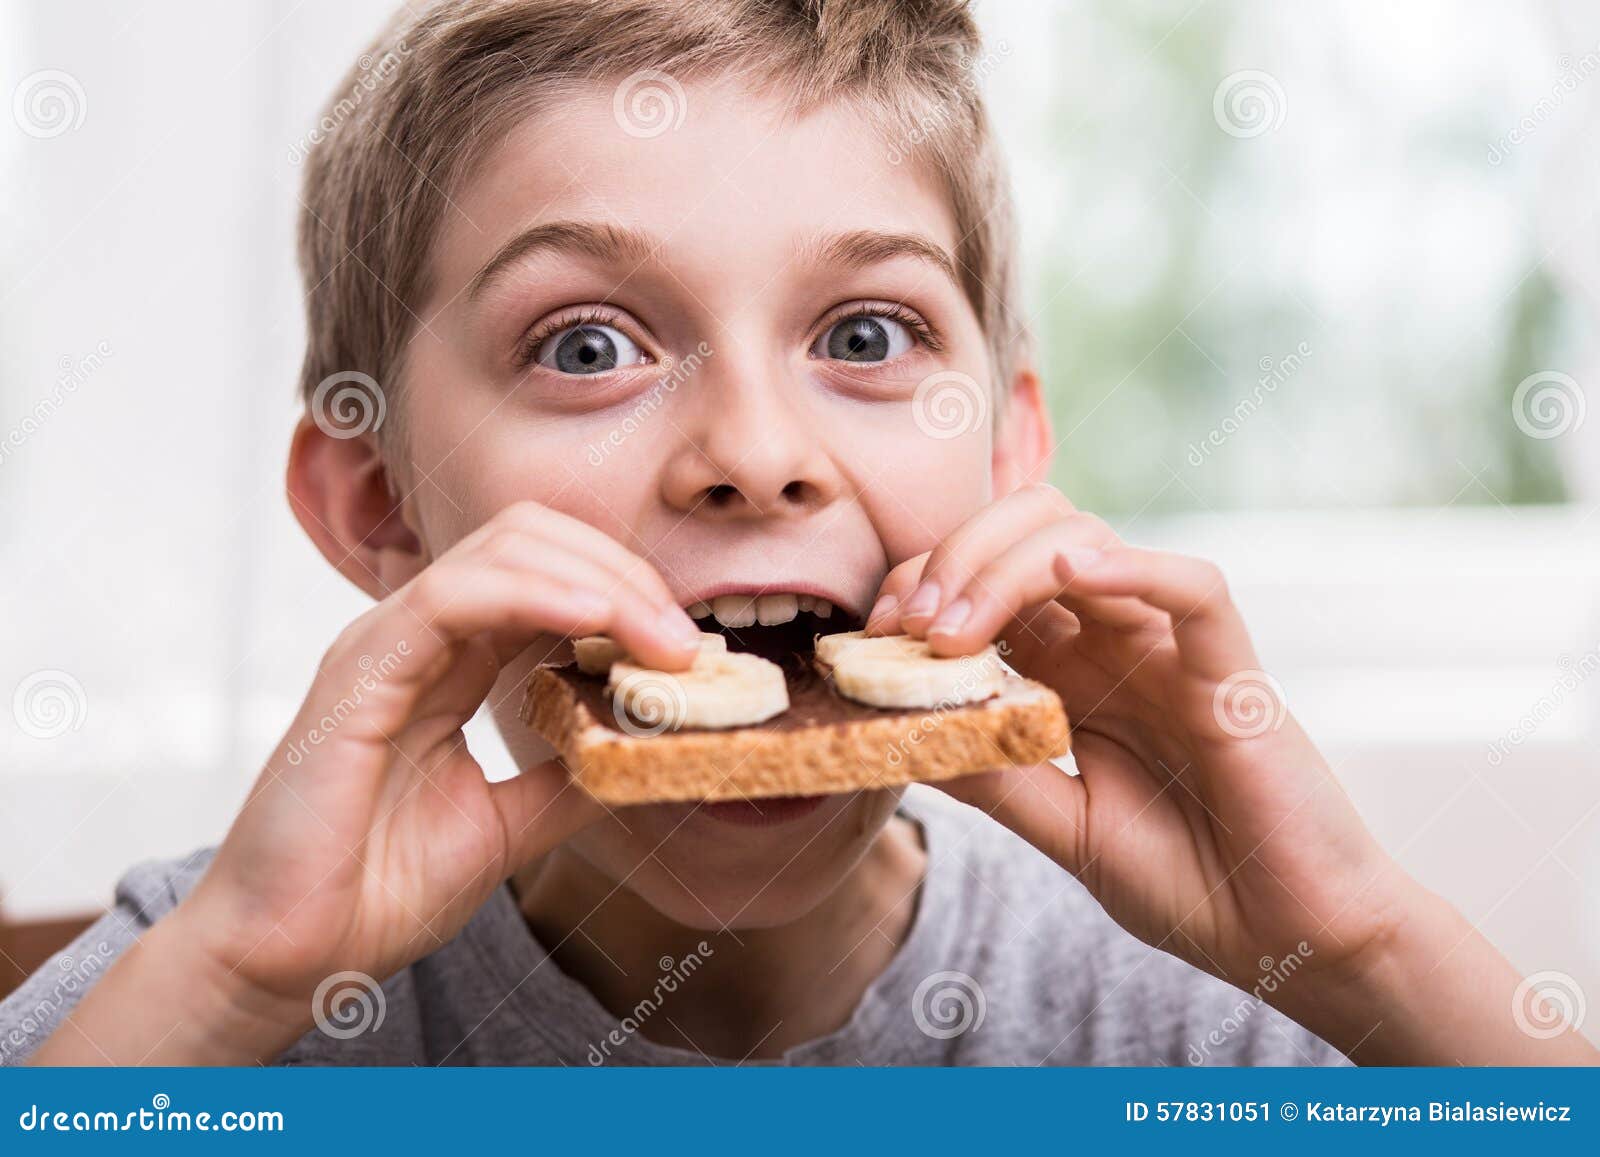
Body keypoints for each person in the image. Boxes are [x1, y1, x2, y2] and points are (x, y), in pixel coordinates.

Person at [6, 0, 1594, 1067]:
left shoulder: (1197, 1017)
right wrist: (226, 986)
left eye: (867, 334)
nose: (756, 457)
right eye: (586, 345)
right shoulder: (207, 995)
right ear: (380, 502)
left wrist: (1362, 945)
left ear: (1006, 456)